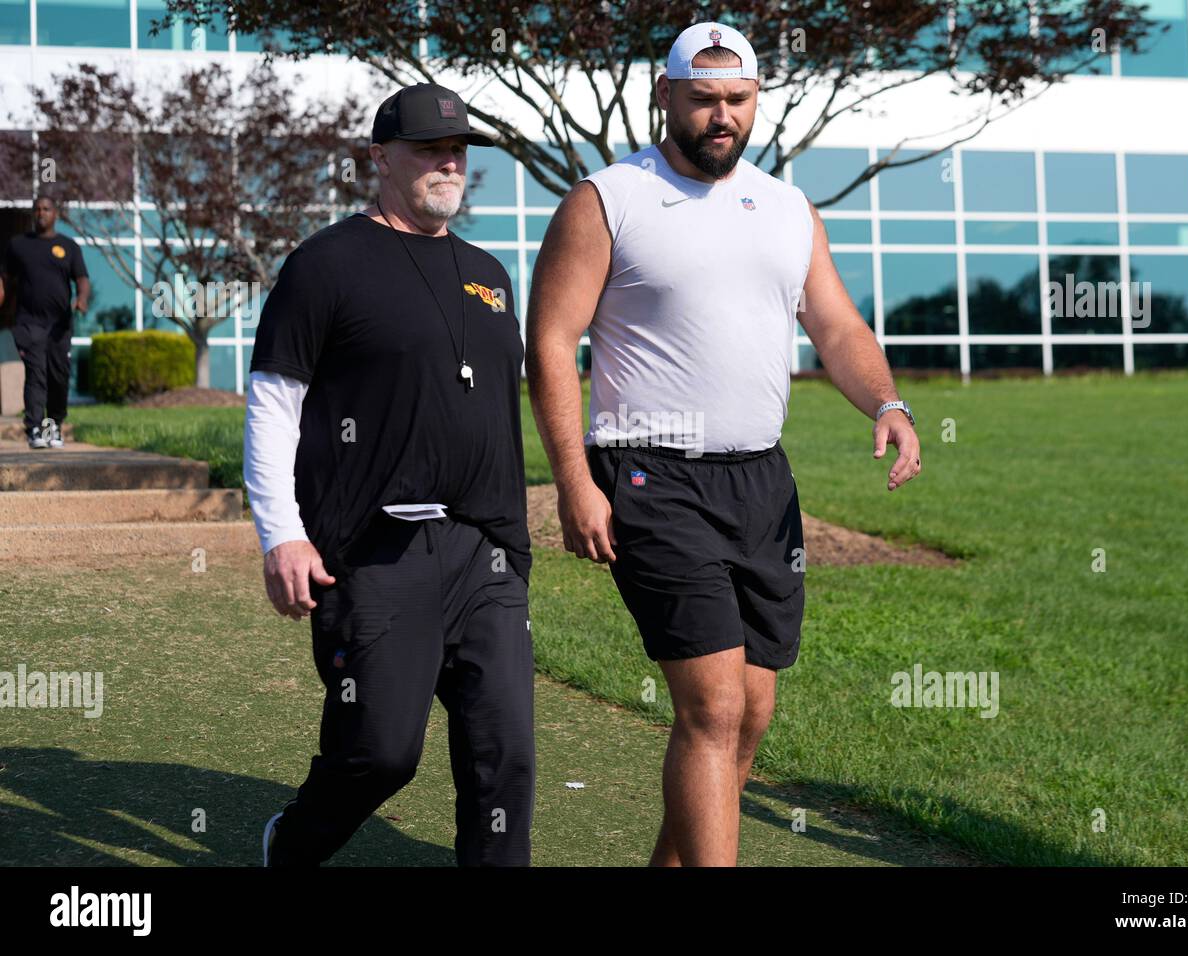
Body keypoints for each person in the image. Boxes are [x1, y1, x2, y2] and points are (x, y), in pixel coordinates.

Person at [526, 22, 922, 866]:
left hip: (762, 483)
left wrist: (888, 403)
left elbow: (838, 323)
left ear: (755, 103)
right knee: (709, 709)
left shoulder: (787, 208)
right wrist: (573, 481)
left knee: (749, 715)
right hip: (650, 473)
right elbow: (551, 342)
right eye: (703, 99)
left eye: (737, 100)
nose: (720, 117)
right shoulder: (606, 200)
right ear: (664, 96)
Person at [245, 82, 534, 867]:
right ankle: (293, 844)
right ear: (378, 157)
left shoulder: (490, 273)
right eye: (428, 149)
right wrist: (283, 536)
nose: (448, 163)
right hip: (372, 550)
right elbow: (274, 405)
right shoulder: (325, 265)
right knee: (380, 750)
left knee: (503, 755)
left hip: (487, 551)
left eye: (458, 151)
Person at [0, 195, 89, 448]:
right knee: (36, 372)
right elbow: (5, 278)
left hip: (59, 325)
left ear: (55, 214)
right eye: (37, 209)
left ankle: (54, 426)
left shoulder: (69, 246)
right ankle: (35, 428)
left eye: (46, 209)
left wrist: (82, 299)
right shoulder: (19, 245)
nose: (41, 213)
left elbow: (81, 279)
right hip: (29, 323)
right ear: (33, 214)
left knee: (58, 376)